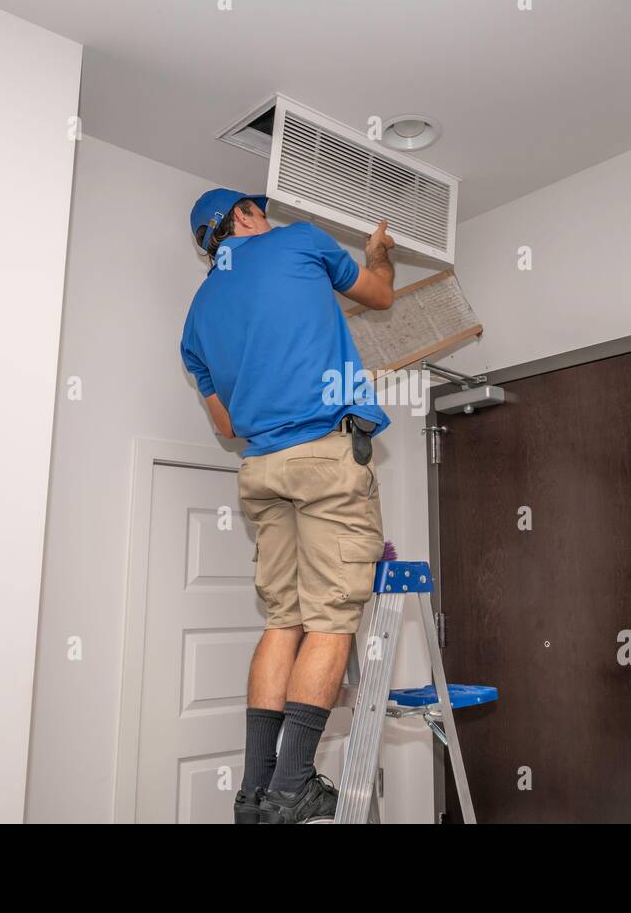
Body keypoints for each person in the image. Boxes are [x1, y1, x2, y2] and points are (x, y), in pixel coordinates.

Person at [179, 188, 396, 823]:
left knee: (283, 621)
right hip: (323, 457)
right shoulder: (297, 240)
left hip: (261, 469)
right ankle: (293, 783)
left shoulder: (197, 315)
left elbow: (226, 425)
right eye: (256, 208)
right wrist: (379, 254)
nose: (265, 215)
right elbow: (380, 296)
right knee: (331, 620)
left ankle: (254, 791)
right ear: (243, 217)